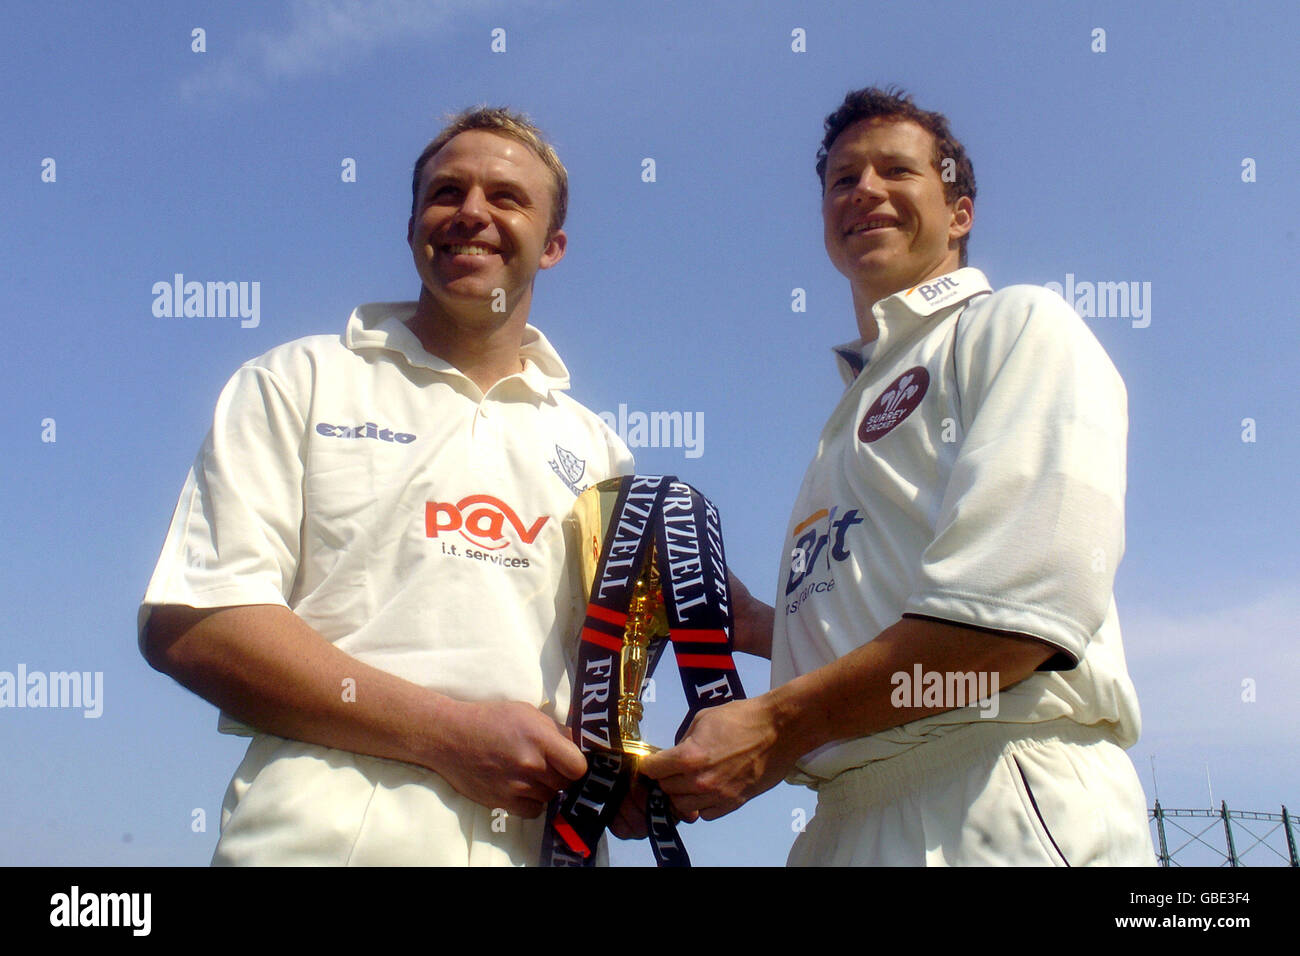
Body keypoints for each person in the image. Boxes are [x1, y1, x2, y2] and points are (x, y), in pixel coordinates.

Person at [641, 87, 1156, 866]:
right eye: (843, 180)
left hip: (990, 788)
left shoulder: (1016, 325)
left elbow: (1010, 623)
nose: (866, 191)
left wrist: (778, 724)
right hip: (843, 813)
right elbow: (889, 615)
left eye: (896, 171)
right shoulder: (852, 405)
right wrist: (753, 625)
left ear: (960, 213)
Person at [138, 106, 638, 865]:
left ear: (555, 246)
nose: (471, 212)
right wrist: (446, 735)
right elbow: (194, 622)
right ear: (412, 229)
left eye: (506, 198)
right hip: (325, 831)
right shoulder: (298, 380)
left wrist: (629, 772)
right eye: (446, 193)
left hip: (543, 839)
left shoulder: (600, 452)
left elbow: (629, 656)